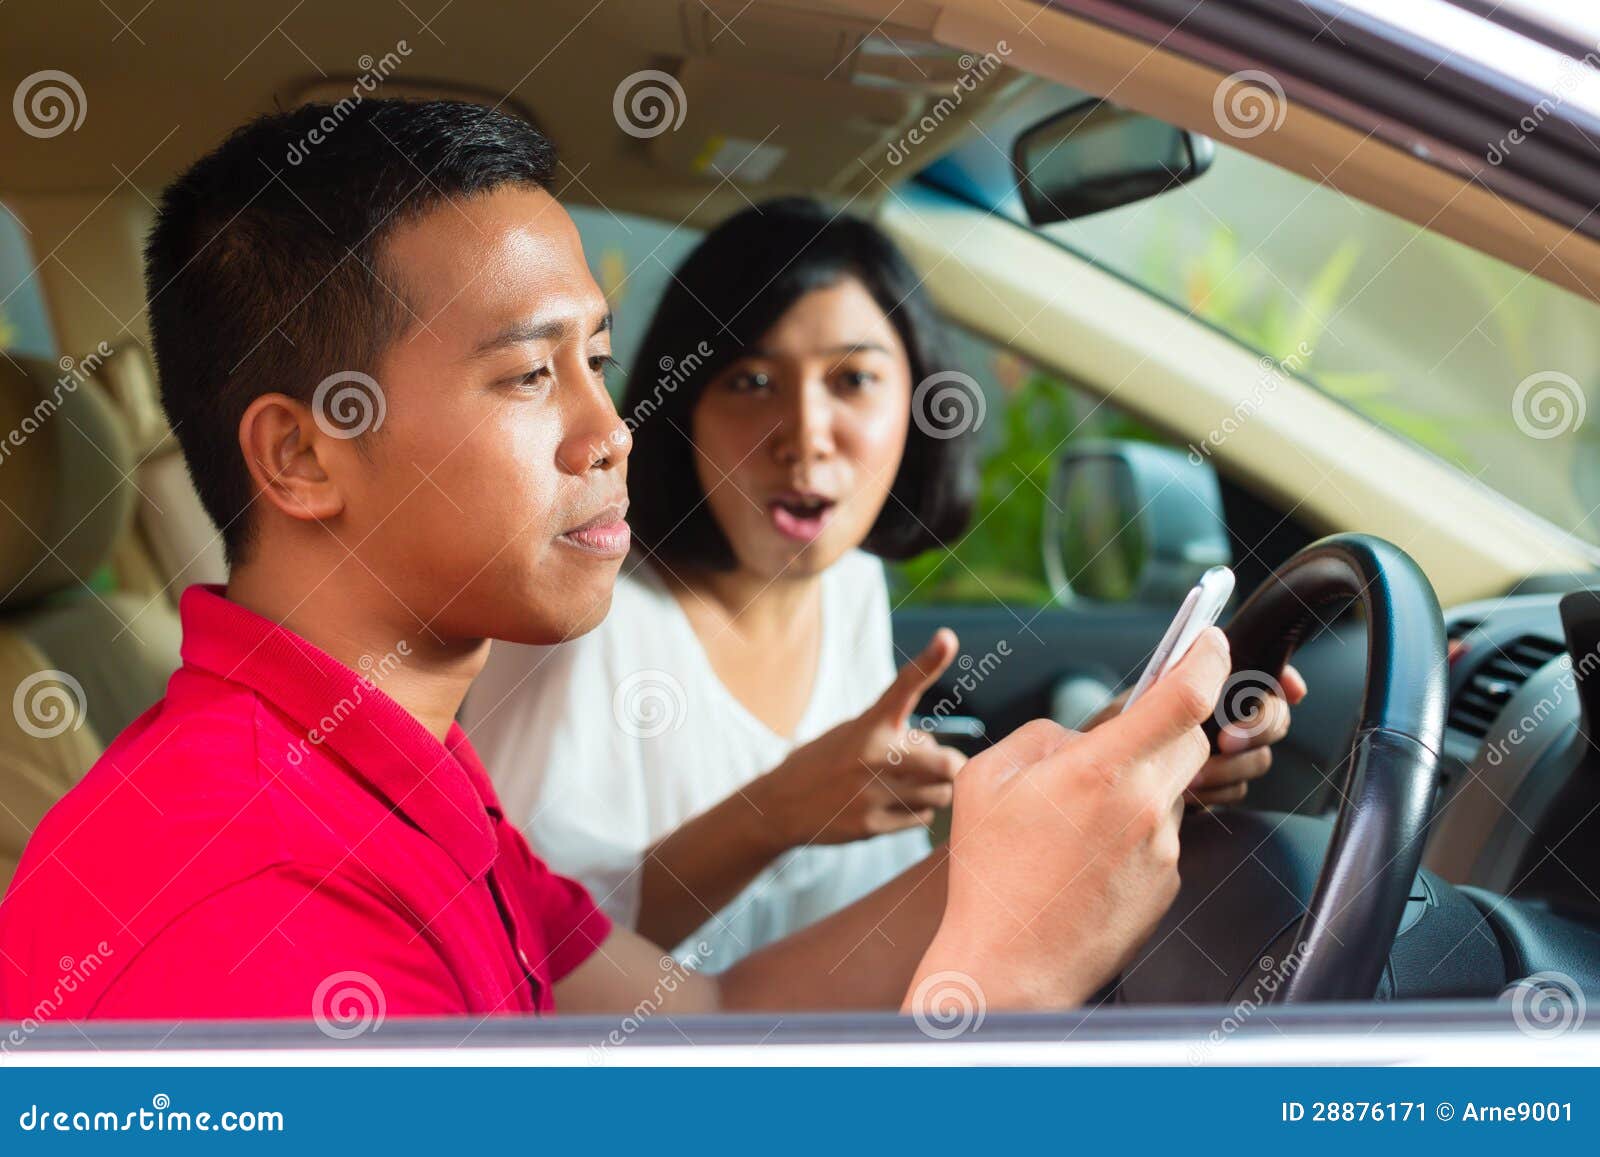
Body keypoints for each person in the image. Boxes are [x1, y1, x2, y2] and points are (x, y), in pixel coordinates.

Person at [0, 99, 1233, 1023]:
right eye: (532, 374)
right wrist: (1008, 978)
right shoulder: (252, 898)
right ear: (305, 455)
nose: (613, 430)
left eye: (598, 358)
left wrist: (1058, 825)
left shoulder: (403, 762)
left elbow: (711, 1012)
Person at [463, 199, 1298, 969]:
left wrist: (1098, 764)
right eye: (752, 383)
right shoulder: (584, 619)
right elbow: (524, 955)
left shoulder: (851, 588)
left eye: (852, 379)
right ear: (684, 413)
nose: (806, 435)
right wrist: (776, 812)